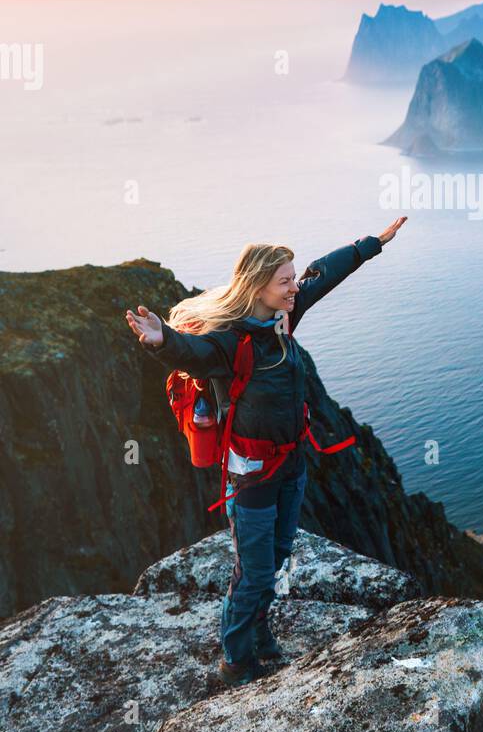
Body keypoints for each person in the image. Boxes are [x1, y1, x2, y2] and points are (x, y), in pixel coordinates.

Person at [125, 218, 406, 685]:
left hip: (293, 464)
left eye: (292, 280)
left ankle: (259, 632)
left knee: (275, 560)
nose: (295, 287)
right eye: (285, 281)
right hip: (253, 474)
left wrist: (370, 244)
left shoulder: (283, 317)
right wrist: (161, 342)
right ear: (258, 286)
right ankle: (235, 660)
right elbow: (190, 352)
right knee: (253, 572)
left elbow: (322, 274)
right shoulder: (229, 342)